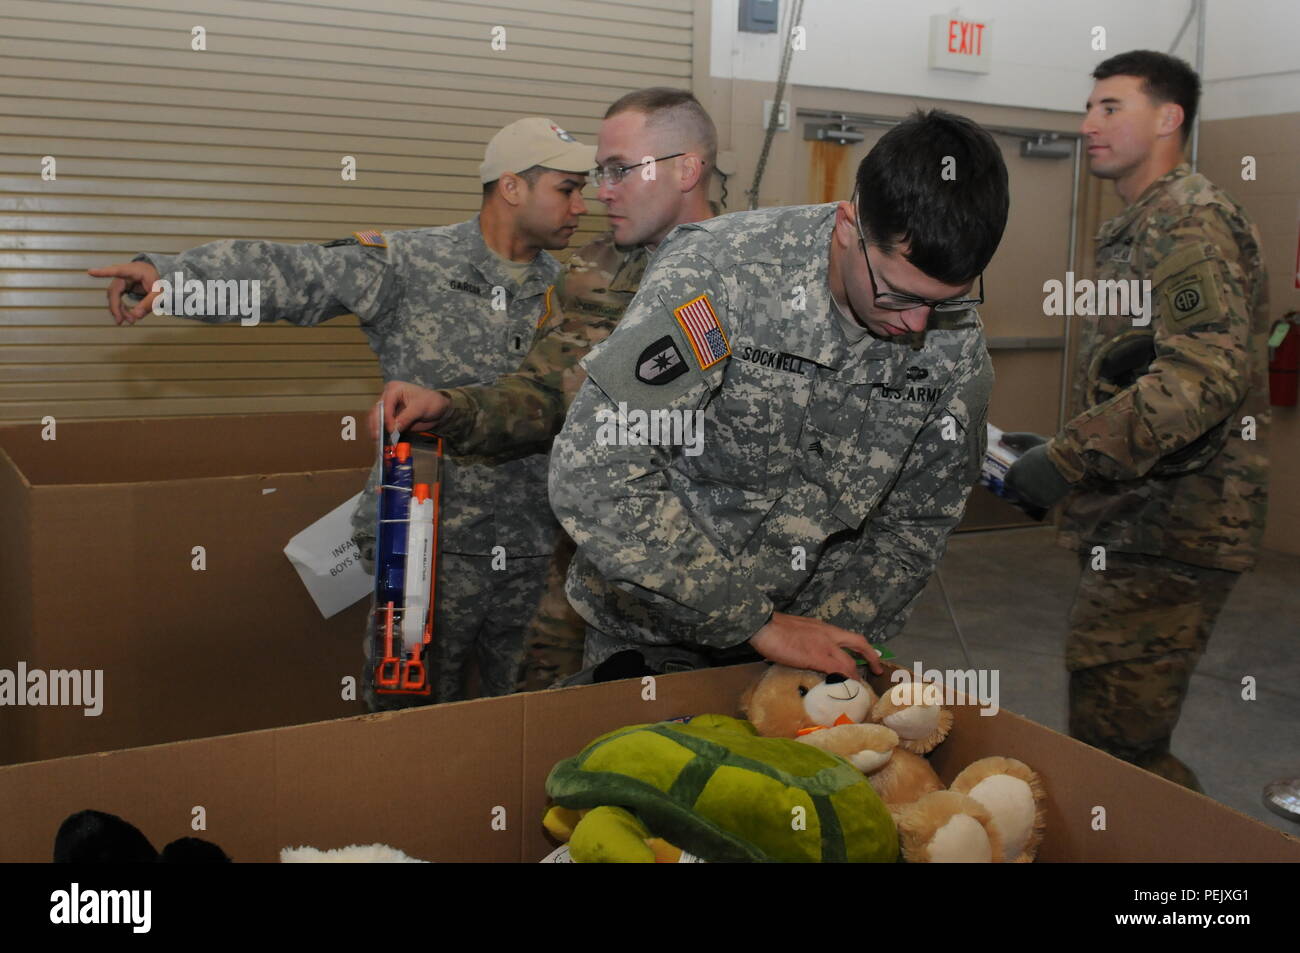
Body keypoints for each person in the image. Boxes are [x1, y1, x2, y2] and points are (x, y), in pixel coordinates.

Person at [88, 117, 596, 707]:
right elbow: (294, 275)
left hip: (538, 557)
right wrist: (173, 279)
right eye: (567, 188)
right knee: (407, 726)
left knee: (535, 725)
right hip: (422, 553)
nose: (583, 206)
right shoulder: (409, 262)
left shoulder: (576, 292)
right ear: (512, 187)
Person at [547, 109, 1010, 680]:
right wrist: (757, 624)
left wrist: (822, 646)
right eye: (896, 295)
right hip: (652, 634)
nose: (917, 325)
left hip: (806, 652)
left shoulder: (956, 346)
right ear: (848, 225)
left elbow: (915, 525)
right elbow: (596, 471)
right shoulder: (724, 273)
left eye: (942, 302)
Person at [377, 89, 720, 690]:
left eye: (618, 172)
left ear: (686, 169)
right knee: (555, 723)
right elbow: (552, 393)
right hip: (592, 567)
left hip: (713, 575)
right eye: (596, 175)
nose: (600, 193)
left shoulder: (763, 274)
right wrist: (451, 407)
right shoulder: (599, 268)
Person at [1003, 51, 1270, 791]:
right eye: (1090, 107)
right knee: (1117, 739)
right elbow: (1142, 367)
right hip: (1139, 516)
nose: (1088, 124)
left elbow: (1203, 377)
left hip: (1175, 523)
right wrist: (1065, 445)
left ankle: (1177, 897)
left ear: (1168, 117)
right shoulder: (1145, 221)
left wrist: (1067, 461)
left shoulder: (1188, 220)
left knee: (1119, 753)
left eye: (1110, 107)